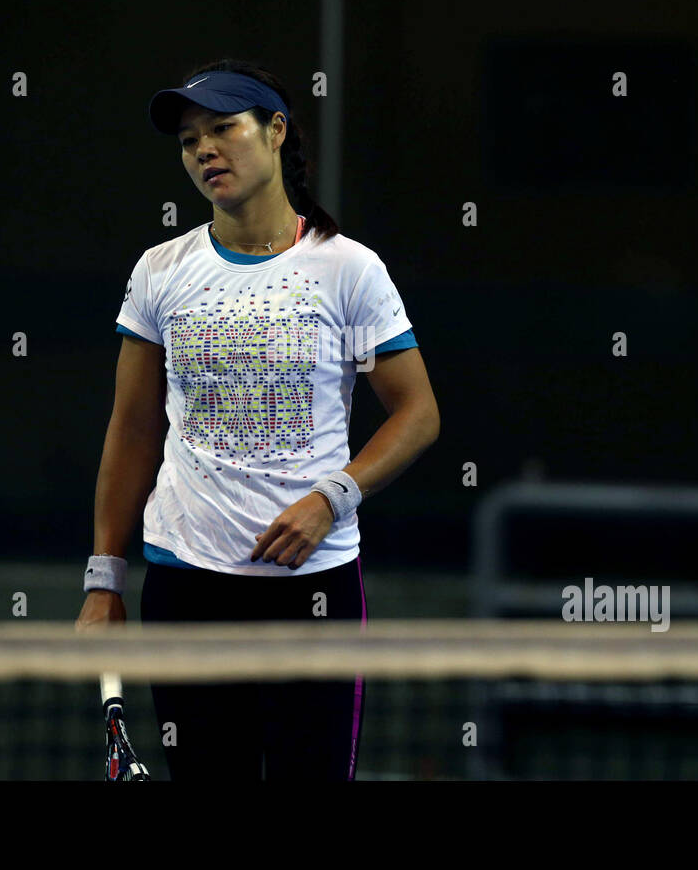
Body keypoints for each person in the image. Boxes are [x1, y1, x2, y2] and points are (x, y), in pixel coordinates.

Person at [75, 59, 440, 780]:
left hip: (314, 591)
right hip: (186, 588)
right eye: (188, 140)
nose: (204, 149)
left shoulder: (349, 269)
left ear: (275, 133)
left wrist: (330, 498)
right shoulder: (159, 271)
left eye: (222, 128)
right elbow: (134, 432)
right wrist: (104, 579)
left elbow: (419, 413)